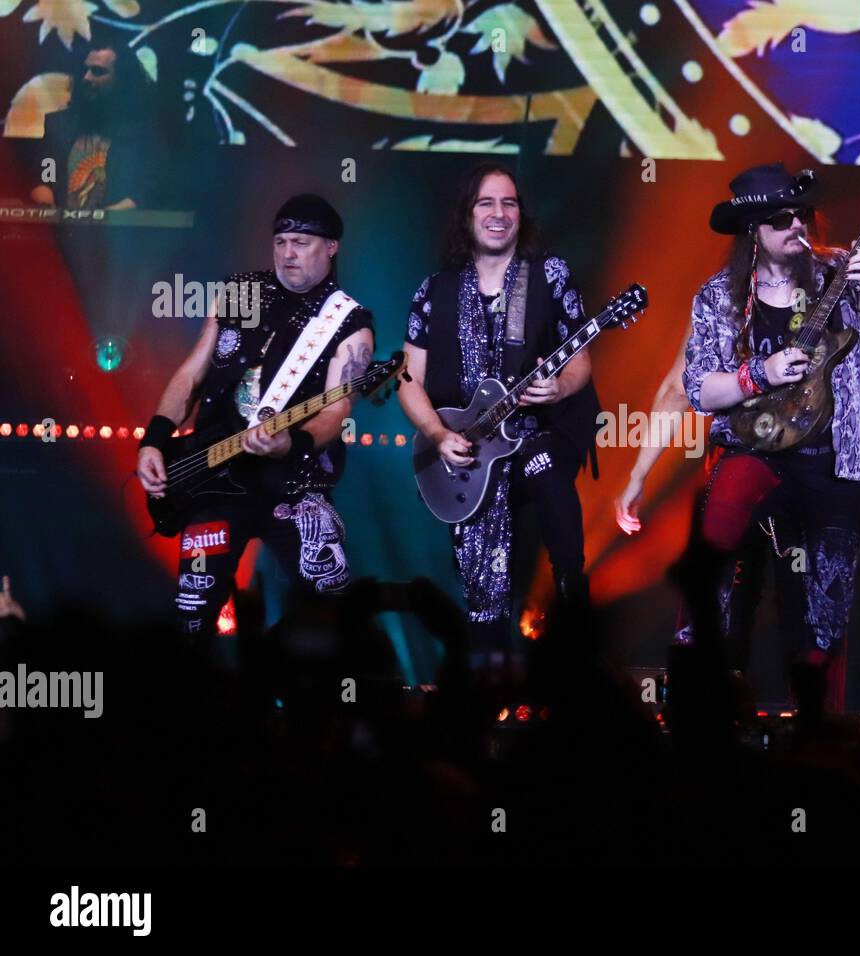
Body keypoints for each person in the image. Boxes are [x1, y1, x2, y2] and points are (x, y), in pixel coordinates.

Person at [680, 162, 860, 708]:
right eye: (780, 219)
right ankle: (698, 681)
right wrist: (758, 373)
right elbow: (698, 389)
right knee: (719, 526)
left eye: (801, 214)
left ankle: (820, 728)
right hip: (757, 452)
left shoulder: (838, 275)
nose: (795, 226)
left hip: (833, 459)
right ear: (752, 231)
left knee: (826, 606)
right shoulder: (720, 297)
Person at [136, 194, 374, 637]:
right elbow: (191, 373)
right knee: (191, 614)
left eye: (301, 242)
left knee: (330, 615)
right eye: (281, 241)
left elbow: (339, 408)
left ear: (331, 247)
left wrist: (292, 442)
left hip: (297, 484)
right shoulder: (240, 291)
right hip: (214, 477)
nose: (288, 253)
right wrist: (153, 438)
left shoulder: (349, 322)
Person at [398, 163, 601, 658]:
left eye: (509, 202)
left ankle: (574, 607)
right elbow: (408, 378)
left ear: (520, 215)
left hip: (534, 433)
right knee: (477, 549)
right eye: (486, 202)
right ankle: (488, 669)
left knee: (547, 468)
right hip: (467, 446)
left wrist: (557, 389)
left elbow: (580, 364)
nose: (498, 213)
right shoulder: (435, 290)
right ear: (468, 215)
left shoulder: (547, 275)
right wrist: (437, 433)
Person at [30, 38, 159, 210]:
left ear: (121, 79)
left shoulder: (144, 131)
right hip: (61, 231)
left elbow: (148, 189)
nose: (86, 77)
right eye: (85, 70)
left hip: (120, 232)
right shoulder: (59, 124)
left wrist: (112, 215)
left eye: (97, 71)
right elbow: (47, 176)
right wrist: (44, 192)